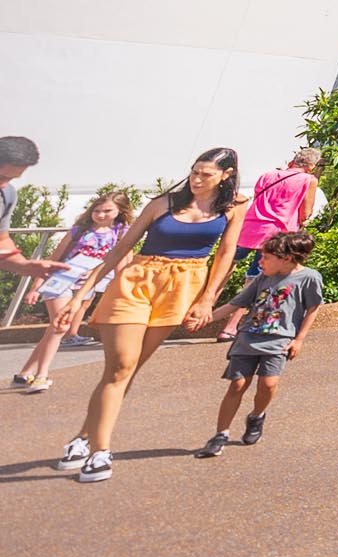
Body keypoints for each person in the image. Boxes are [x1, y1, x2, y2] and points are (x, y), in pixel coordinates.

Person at [52, 149, 245, 485]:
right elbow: (119, 249)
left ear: (226, 175)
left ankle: (82, 438)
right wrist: (79, 297)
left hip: (183, 286)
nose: (196, 180)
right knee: (121, 365)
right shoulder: (163, 203)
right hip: (139, 281)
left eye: (206, 174)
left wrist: (206, 301)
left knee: (129, 370)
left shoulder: (235, 207)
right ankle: (100, 452)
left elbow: (225, 256)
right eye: (194, 172)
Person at [193, 228, 321, 457]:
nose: (260, 262)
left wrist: (299, 340)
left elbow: (313, 308)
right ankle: (219, 435)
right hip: (248, 338)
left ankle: (256, 416)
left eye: (266, 258)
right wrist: (205, 318)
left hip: (279, 340)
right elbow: (236, 304)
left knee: (268, 384)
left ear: (286, 259)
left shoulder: (308, 278)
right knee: (237, 384)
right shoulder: (263, 278)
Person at [13, 192, 127, 392]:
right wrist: (36, 287)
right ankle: (41, 375)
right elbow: (54, 258)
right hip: (62, 280)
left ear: (119, 211)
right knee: (60, 326)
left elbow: (121, 264)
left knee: (55, 329)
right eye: (97, 211)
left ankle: (24, 373)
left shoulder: (121, 232)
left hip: (86, 284)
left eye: (107, 211)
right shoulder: (79, 231)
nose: (100, 215)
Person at [223, 148, 320, 335]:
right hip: (276, 233)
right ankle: (231, 326)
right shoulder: (309, 180)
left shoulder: (268, 175)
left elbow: (259, 196)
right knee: (257, 279)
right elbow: (305, 212)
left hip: (249, 227)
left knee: (224, 267)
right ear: (312, 166)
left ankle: (201, 308)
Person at [0, 136, 68, 287]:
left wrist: (22, 266)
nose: (4, 185)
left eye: (11, 179)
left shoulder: (7, 195)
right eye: (2, 177)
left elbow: (2, 242)